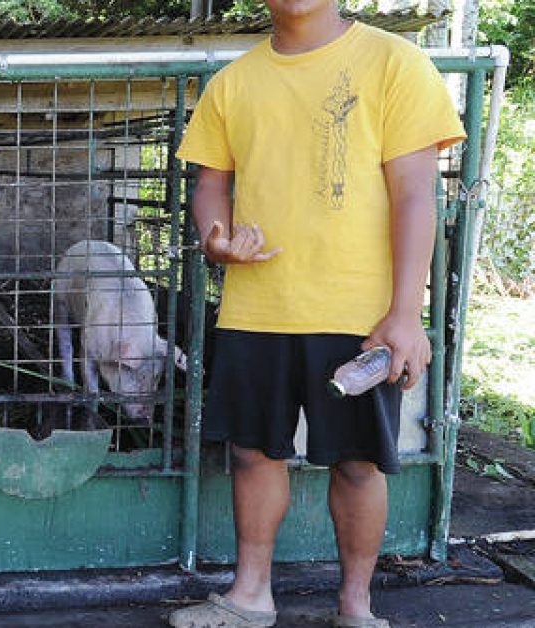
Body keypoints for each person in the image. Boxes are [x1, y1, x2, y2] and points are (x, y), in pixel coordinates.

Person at [169, 1, 465, 627]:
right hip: (257, 307)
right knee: (252, 453)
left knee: (359, 462)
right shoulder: (233, 82)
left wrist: (406, 314)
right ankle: (251, 596)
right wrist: (215, 239)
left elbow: (416, 192)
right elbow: (210, 185)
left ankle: (356, 607)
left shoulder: (395, 63)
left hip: (359, 311)